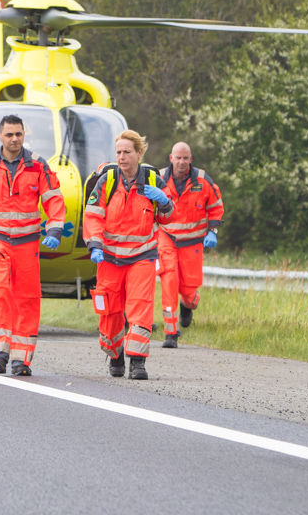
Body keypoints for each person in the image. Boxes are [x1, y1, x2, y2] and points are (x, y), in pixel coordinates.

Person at [0, 114, 65, 376]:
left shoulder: (38, 166)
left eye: (18, 134)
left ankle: (21, 359)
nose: (15, 139)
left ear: (23, 134)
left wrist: (55, 229)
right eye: (9, 135)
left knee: (27, 299)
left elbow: (54, 199)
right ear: (0, 137)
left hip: (27, 246)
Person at [83, 129, 173, 380]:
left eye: (127, 152)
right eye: (119, 152)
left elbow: (167, 218)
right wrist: (96, 245)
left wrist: (164, 202)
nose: (122, 157)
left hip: (141, 257)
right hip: (109, 258)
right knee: (110, 312)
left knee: (140, 307)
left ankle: (137, 362)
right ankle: (115, 355)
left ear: (139, 153)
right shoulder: (107, 180)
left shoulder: (154, 180)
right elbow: (93, 215)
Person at [157, 142, 225, 347]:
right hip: (167, 238)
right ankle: (170, 332)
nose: (181, 162)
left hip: (193, 242)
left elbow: (216, 207)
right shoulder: (159, 179)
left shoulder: (203, 181)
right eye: (178, 157)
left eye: (185, 158)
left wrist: (212, 231)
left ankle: (187, 305)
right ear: (171, 158)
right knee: (169, 279)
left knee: (189, 291)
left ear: (190, 159)